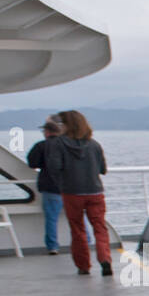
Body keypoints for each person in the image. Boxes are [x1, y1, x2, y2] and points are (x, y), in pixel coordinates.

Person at [45, 110, 111, 277]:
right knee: (100, 227)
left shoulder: (58, 144)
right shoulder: (94, 144)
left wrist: (63, 183)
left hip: (71, 192)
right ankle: (105, 259)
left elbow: (54, 167)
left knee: (77, 229)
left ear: (65, 125)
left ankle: (83, 266)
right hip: (95, 191)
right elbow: (103, 169)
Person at [25, 116, 64, 255]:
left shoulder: (41, 146)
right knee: (78, 218)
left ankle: (53, 246)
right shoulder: (67, 145)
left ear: (47, 132)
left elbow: (32, 163)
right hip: (70, 187)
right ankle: (87, 241)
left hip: (50, 187)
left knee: (51, 219)